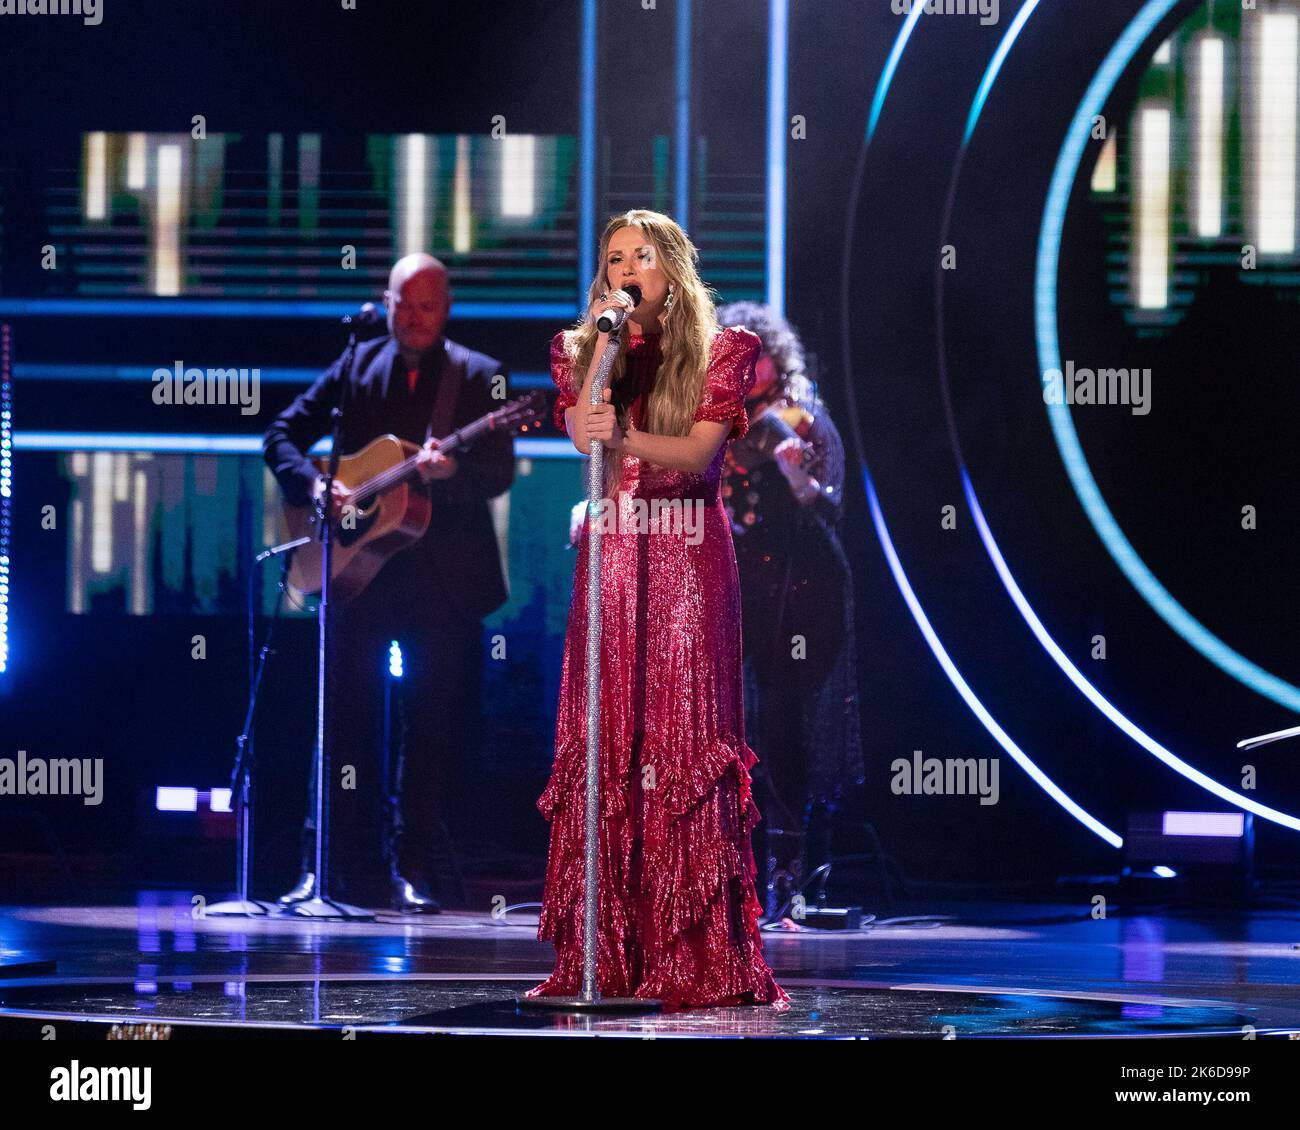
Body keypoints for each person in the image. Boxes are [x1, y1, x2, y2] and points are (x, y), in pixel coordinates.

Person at [528, 210, 789, 1009]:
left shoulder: (722, 352)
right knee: (609, 737)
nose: (628, 269)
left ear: (671, 269)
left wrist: (628, 436)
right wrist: (604, 358)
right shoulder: (582, 353)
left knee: (677, 740)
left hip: (685, 560)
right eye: (615, 260)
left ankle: (696, 958)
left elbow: (702, 454)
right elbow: (583, 441)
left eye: (643, 257)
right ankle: (602, 958)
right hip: (613, 559)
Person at [263, 253, 513, 912]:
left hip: (442, 581)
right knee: (340, 721)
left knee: (428, 728)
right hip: (357, 575)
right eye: (405, 304)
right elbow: (282, 434)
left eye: (428, 306)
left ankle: (412, 866)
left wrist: (450, 476)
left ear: (446, 308)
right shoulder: (357, 364)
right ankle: (324, 867)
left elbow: (499, 473)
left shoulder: (479, 377)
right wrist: (316, 484)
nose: (415, 317)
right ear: (387, 301)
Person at [714, 302, 864, 910]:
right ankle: (732, 872)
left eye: (758, 354)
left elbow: (829, 508)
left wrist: (797, 476)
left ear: (776, 357)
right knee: (733, 724)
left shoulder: (804, 418)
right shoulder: (717, 424)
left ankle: (791, 872)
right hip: (738, 590)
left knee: (785, 726)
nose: (748, 367)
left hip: (804, 592)